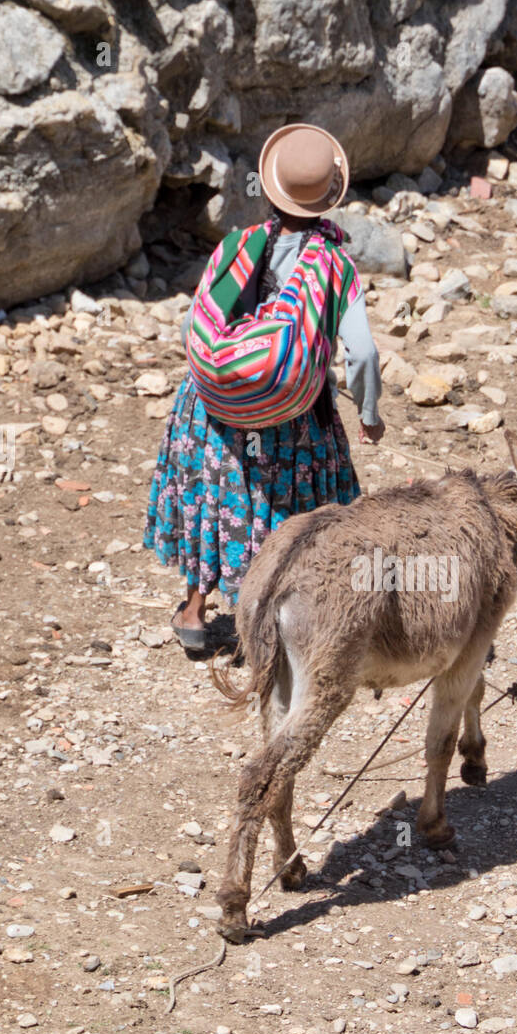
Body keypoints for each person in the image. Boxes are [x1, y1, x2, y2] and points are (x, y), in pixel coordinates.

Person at [143, 123, 385, 651]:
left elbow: (196, 324)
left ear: (271, 187)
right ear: (328, 199)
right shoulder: (336, 267)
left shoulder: (237, 244)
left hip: (212, 407)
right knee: (292, 511)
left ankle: (194, 609)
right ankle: (283, 617)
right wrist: (368, 413)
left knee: (214, 495)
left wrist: (234, 369)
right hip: (292, 417)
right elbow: (362, 352)